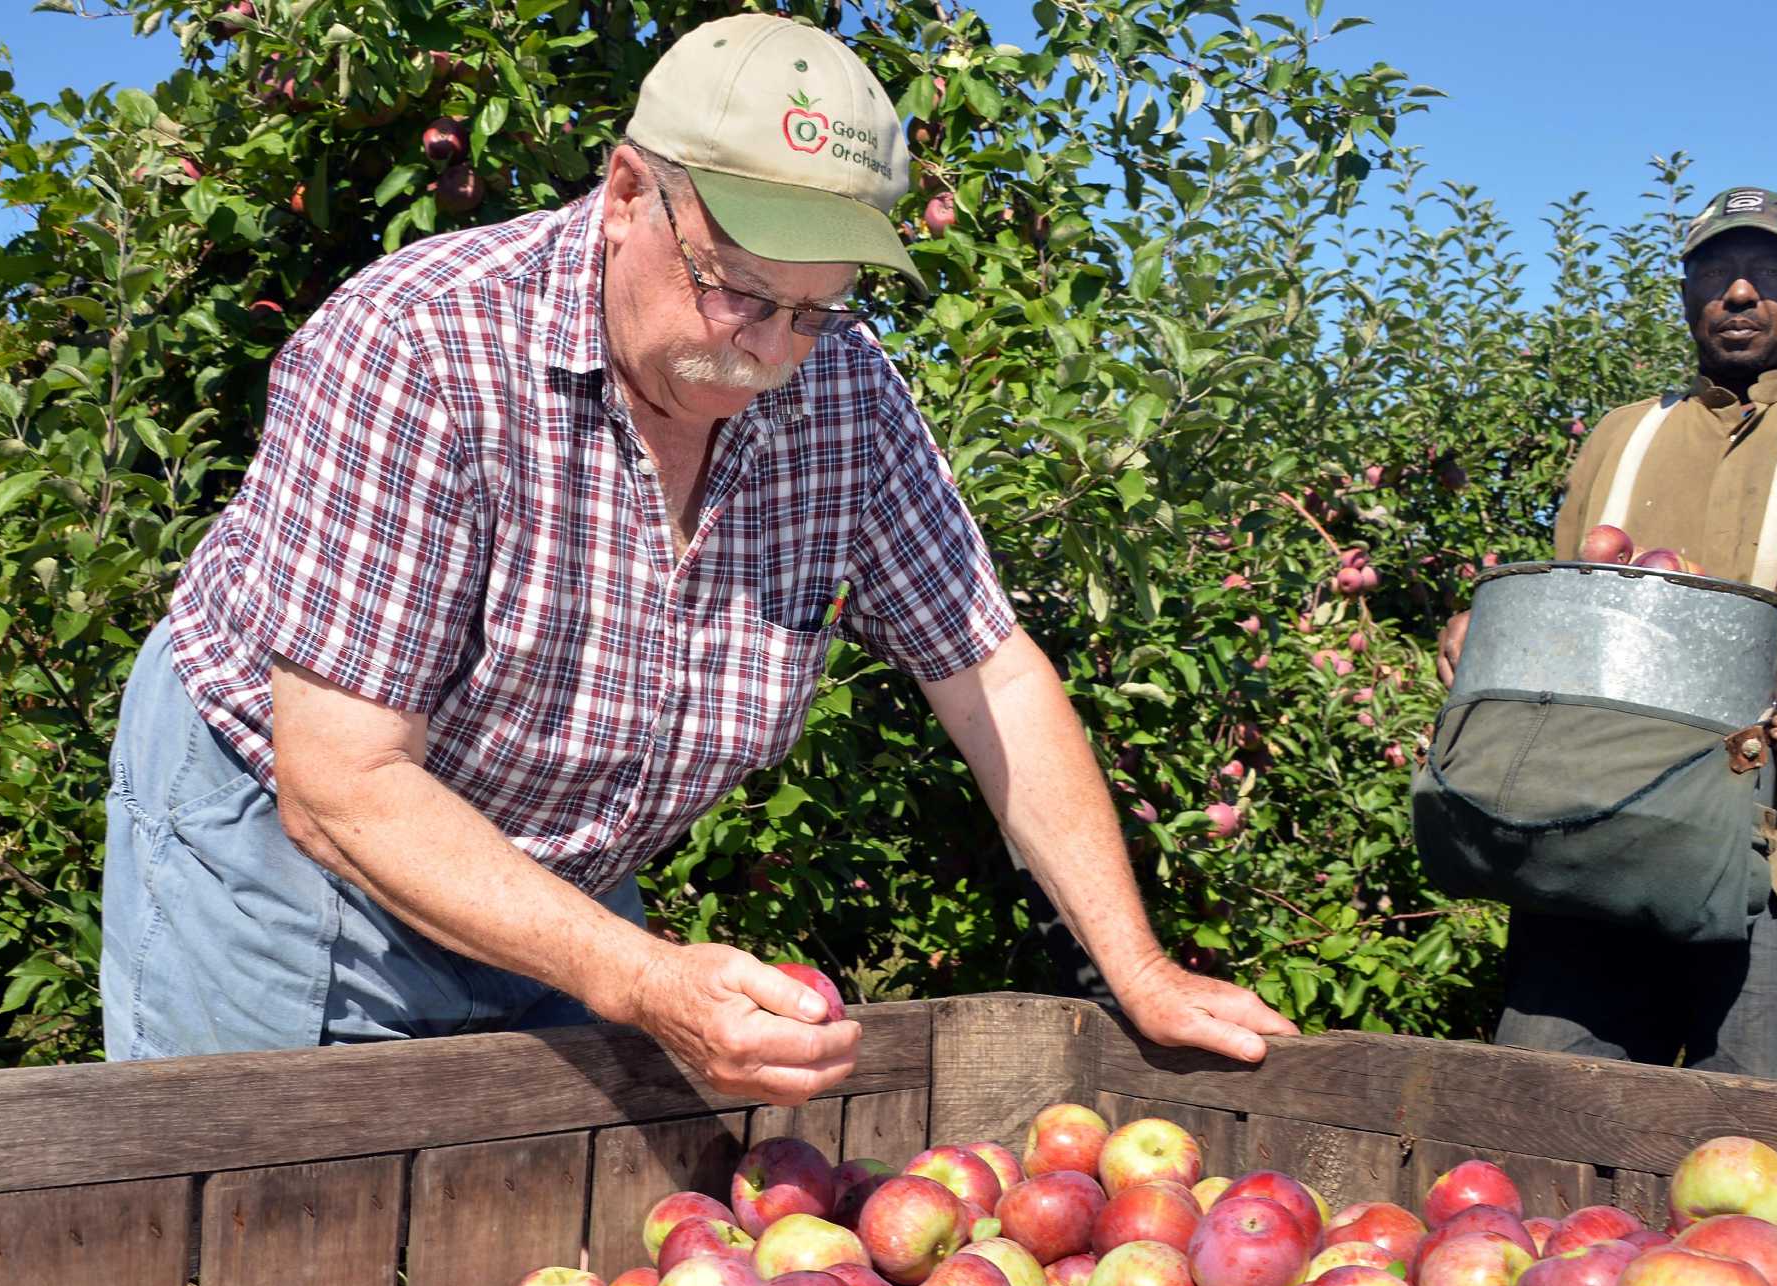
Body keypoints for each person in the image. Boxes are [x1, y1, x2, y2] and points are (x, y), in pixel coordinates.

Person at [100, 13, 1295, 1099]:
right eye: (736, 290)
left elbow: (992, 676)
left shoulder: (845, 397)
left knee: (544, 1268)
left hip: (561, 871)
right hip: (281, 860)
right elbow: (342, 783)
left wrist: (1132, 963)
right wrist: (642, 978)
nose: (771, 350)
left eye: (815, 309)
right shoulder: (419, 344)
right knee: (260, 1226)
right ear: (626, 193)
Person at [1435, 186, 1777, 1082]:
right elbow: (1573, 610)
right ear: (1686, 290)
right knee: (1553, 1109)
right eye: (1716, 270)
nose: (1740, 292)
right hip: (1595, 834)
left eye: (1768, 269)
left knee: (1753, 1136)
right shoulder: (1622, 437)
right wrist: (1496, 627)